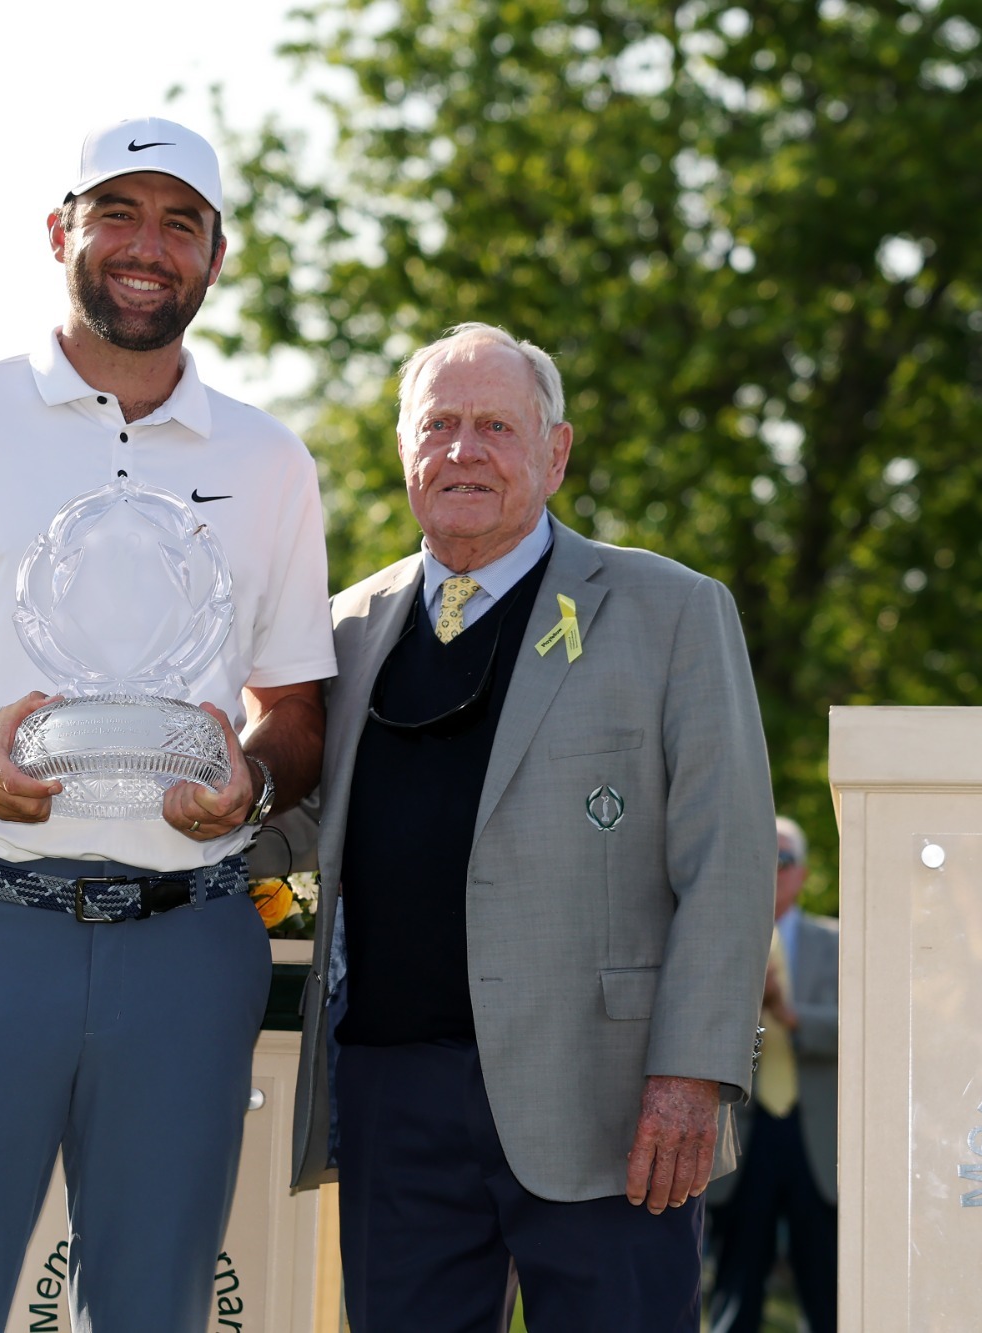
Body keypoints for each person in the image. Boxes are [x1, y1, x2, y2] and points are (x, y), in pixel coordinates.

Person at [0, 114, 333, 1331]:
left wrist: (249, 785)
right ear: (62, 233)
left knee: (152, 1314)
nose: (149, 245)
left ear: (215, 257)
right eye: (119, 213)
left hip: (186, 946)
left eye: (180, 223)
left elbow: (296, 711)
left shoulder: (270, 460)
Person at [288, 323, 776, 1331]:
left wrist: (690, 1073)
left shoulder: (672, 612)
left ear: (554, 454)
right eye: (440, 424)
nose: (464, 450)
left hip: (607, 1105)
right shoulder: (338, 629)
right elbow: (285, 827)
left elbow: (726, 863)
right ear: (404, 449)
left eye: (496, 426)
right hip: (390, 1097)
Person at [708, 815, 839, 1333]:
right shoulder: (719, 941)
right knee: (735, 1289)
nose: (772, 870)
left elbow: (869, 1026)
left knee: (829, 1292)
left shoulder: (842, 941)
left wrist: (787, 1012)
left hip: (817, 1141)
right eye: (762, 858)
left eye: (782, 860)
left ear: (802, 873)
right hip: (743, 1134)